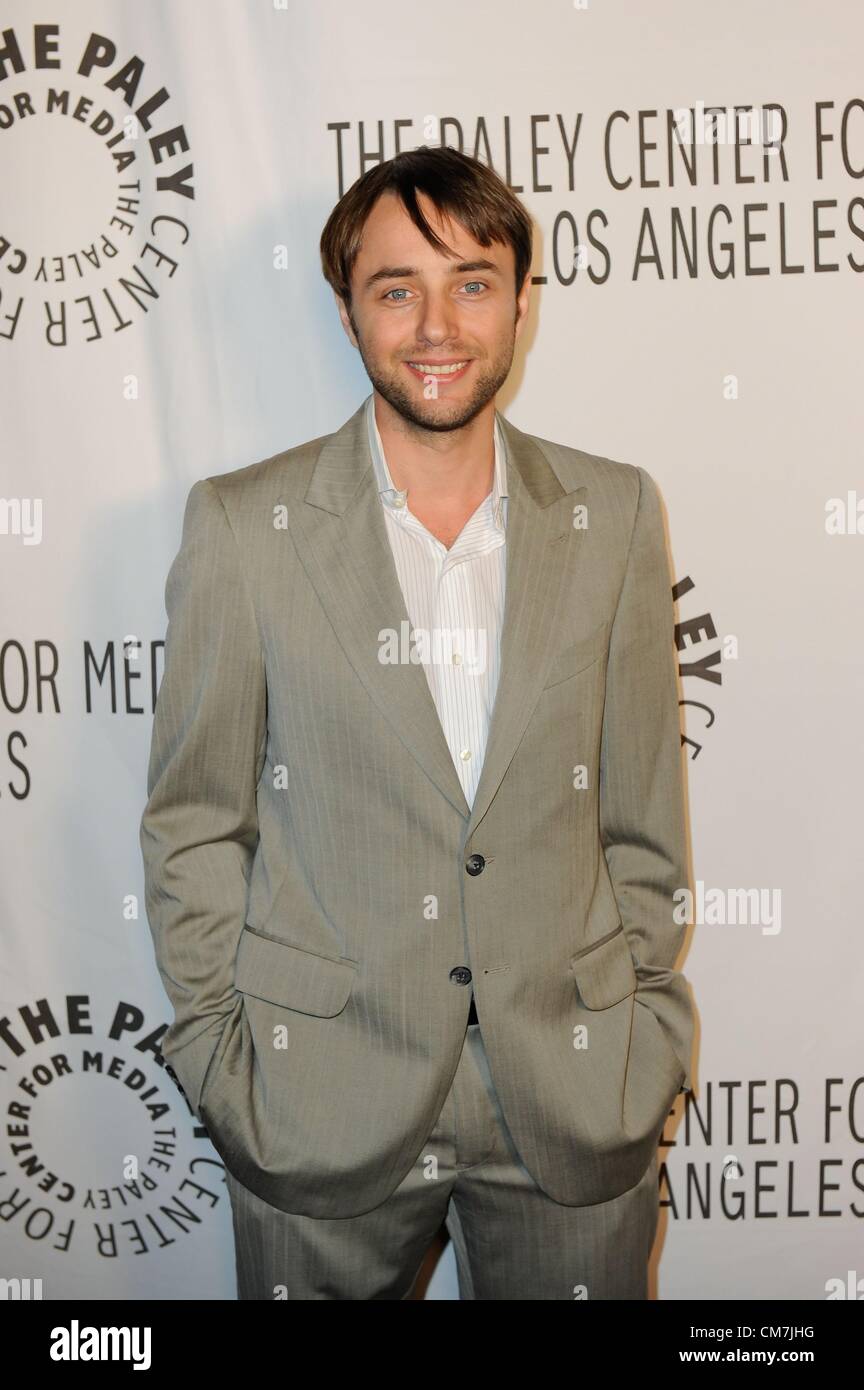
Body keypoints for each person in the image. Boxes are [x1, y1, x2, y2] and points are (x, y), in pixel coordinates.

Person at [140, 145, 695, 1301]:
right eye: (397, 288)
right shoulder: (246, 529)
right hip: (317, 1097)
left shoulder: (617, 515)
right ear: (348, 310)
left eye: (473, 282)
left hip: (574, 1090)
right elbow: (195, 821)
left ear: (523, 303)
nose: (437, 325)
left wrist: (641, 1033)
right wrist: (223, 1058)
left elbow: (644, 817)